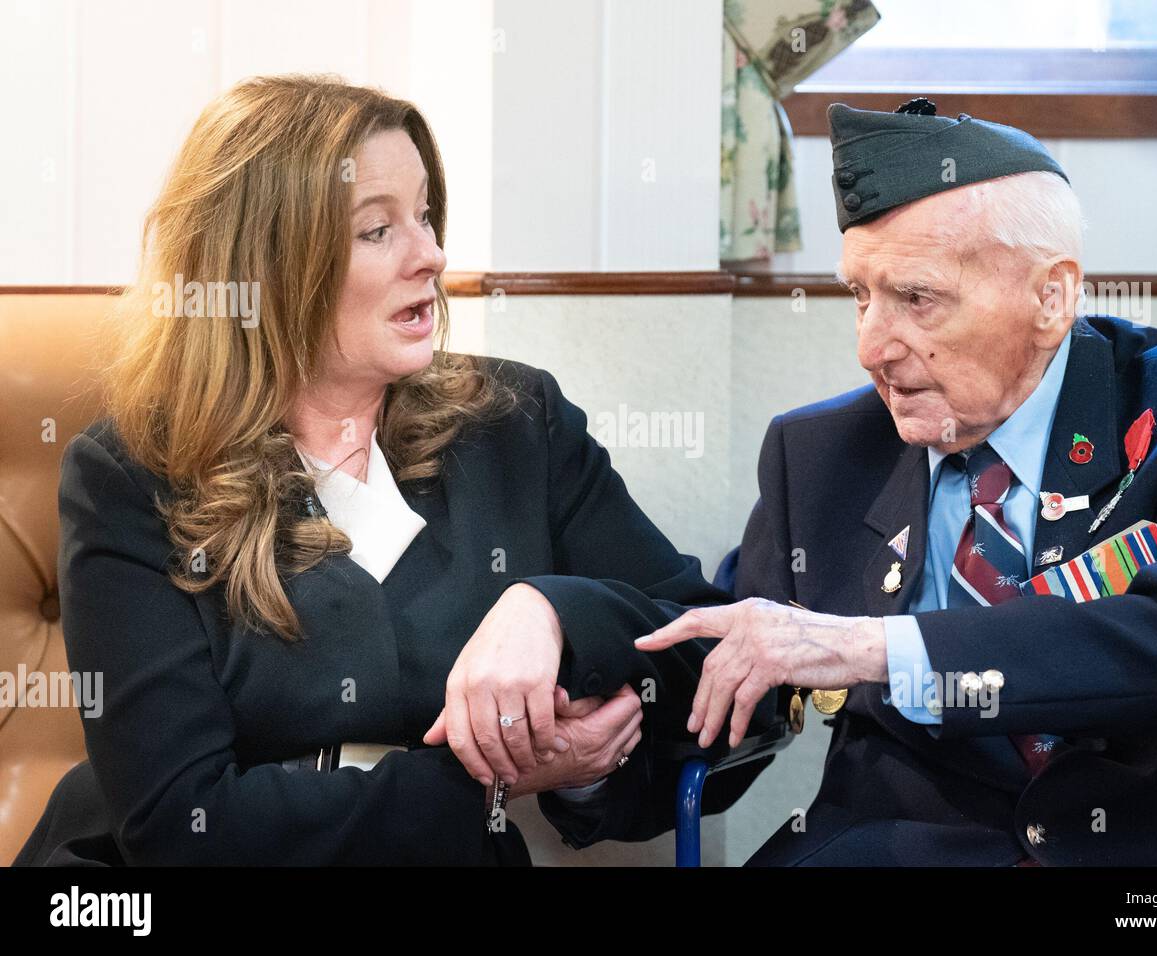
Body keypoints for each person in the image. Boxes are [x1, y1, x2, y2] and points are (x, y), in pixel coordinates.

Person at [16, 75, 766, 866]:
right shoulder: (132, 476)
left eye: (427, 215)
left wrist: (552, 612)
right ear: (264, 270)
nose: (432, 256)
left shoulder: (516, 422)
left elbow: (719, 665)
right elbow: (186, 829)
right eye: (378, 230)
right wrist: (491, 778)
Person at [638, 99, 1157, 866]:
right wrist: (560, 649)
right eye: (860, 295)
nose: (871, 346)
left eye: (917, 298)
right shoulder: (817, 452)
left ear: (1051, 298)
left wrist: (879, 647)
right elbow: (730, 667)